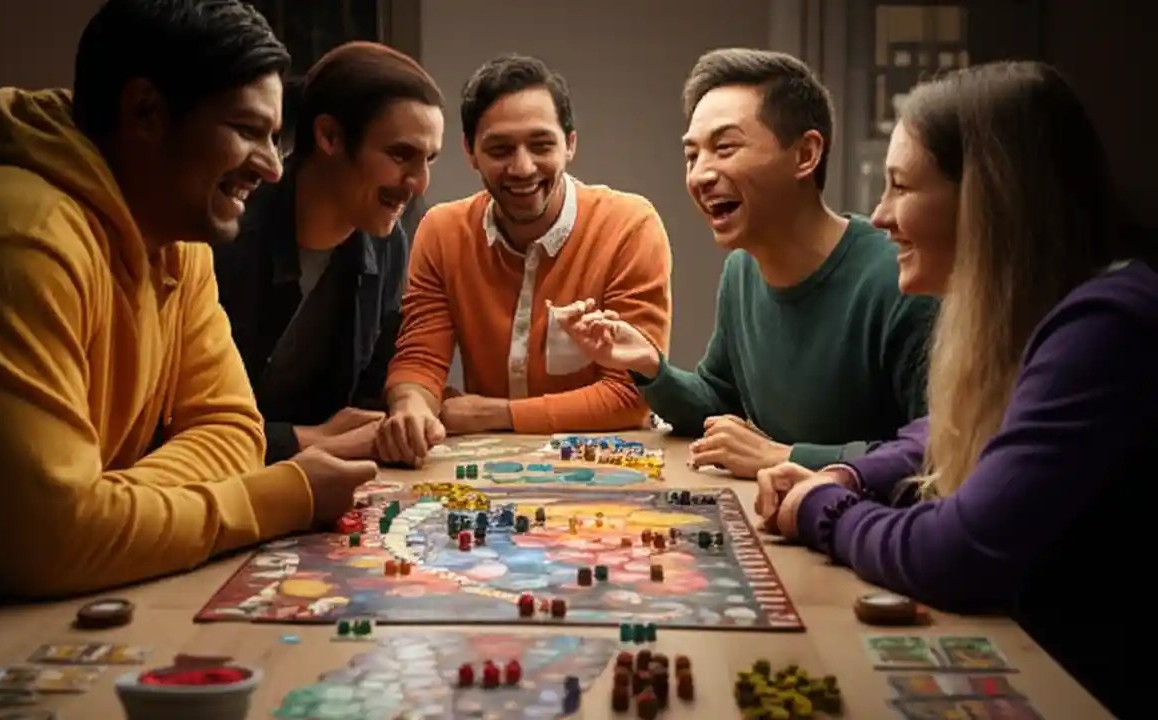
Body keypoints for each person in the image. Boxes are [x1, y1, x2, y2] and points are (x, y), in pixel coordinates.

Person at [0, 0, 377, 683]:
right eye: (246, 131)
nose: (271, 168)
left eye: (275, 138)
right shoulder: (13, 239)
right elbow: (58, 544)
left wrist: (108, 509)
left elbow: (232, 429)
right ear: (145, 112)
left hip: (48, 612)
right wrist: (281, 496)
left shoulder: (180, 243)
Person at [753, 61, 1156, 716]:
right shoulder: (1053, 305)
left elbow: (959, 554)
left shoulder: (1107, 324)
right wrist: (847, 476)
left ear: (991, 199)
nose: (880, 215)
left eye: (901, 186)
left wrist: (823, 513)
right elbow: (942, 432)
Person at [557, 48, 937, 478]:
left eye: (725, 148)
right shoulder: (742, 270)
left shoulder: (903, 280)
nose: (700, 174)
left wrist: (786, 457)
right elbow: (717, 401)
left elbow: (938, 456)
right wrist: (649, 366)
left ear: (806, 154)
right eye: (692, 155)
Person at [376, 54, 673, 466]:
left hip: (602, 465)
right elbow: (421, 359)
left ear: (570, 144)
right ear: (470, 151)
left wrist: (494, 414)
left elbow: (630, 395)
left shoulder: (629, 226)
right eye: (500, 148)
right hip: (489, 466)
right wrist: (411, 407)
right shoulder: (441, 230)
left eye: (541, 145)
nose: (522, 167)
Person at [214, 41, 445, 464]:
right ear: (329, 137)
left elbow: (372, 389)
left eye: (429, 159)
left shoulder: (389, 241)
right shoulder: (225, 237)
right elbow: (177, 426)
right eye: (400, 154)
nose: (419, 182)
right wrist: (305, 440)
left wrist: (406, 412)